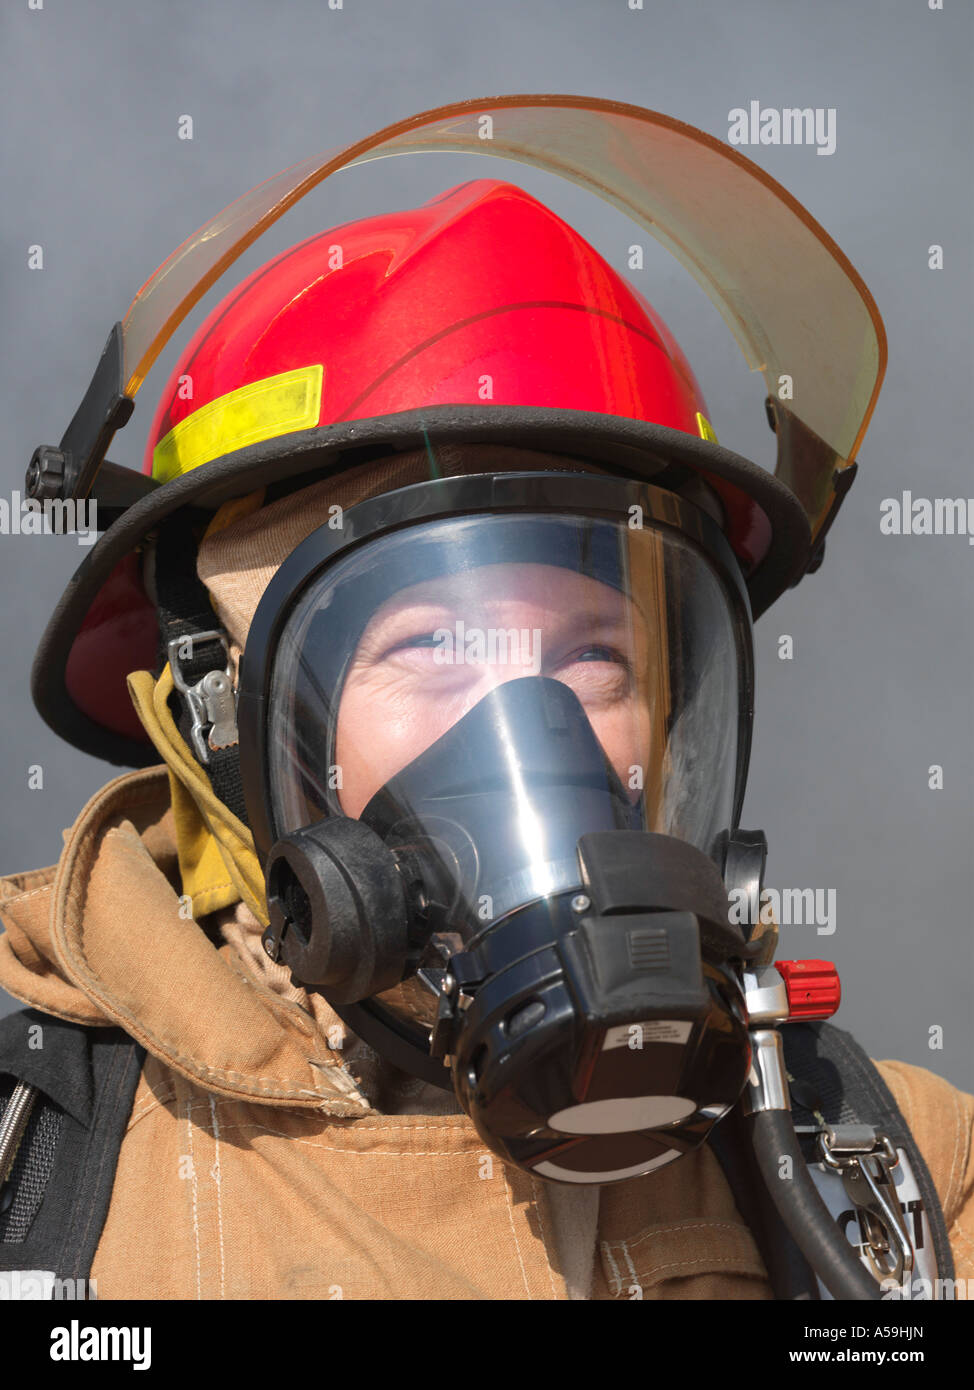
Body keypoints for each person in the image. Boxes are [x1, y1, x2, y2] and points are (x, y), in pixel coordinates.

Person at [1, 97, 971, 1302]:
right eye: (435, 646)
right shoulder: (36, 1168)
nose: (532, 729)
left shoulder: (886, 1173)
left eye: (595, 662)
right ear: (227, 721)